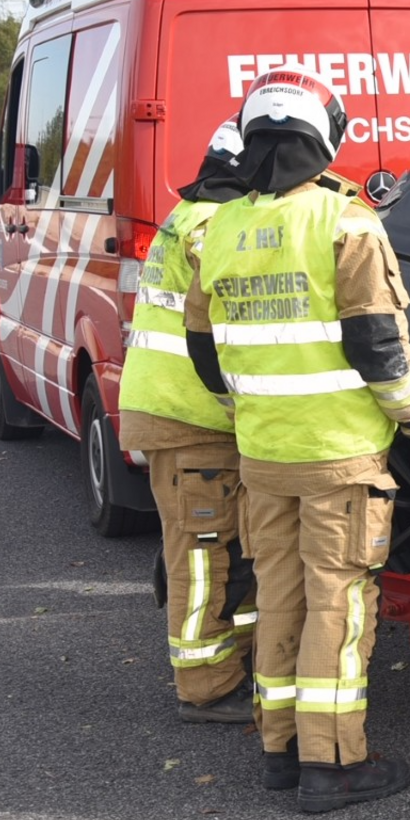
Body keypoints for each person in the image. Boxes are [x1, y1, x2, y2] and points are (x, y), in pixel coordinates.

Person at [184, 64, 410, 813]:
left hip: (265, 455)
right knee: (340, 602)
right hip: (340, 457)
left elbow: (206, 353)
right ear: (323, 137)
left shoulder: (222, 226)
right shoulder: (347, 222)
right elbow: (380, 348)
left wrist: (255, 408)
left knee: (280, 598)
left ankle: (281, 750)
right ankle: (334, 764)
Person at [116, 118, 256, 724]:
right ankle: (206, 687)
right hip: (190, 418)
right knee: (204, 556)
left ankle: (231, 661)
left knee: (218, 547)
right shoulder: (215, 227)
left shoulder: (187, 213)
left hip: (182, 414)